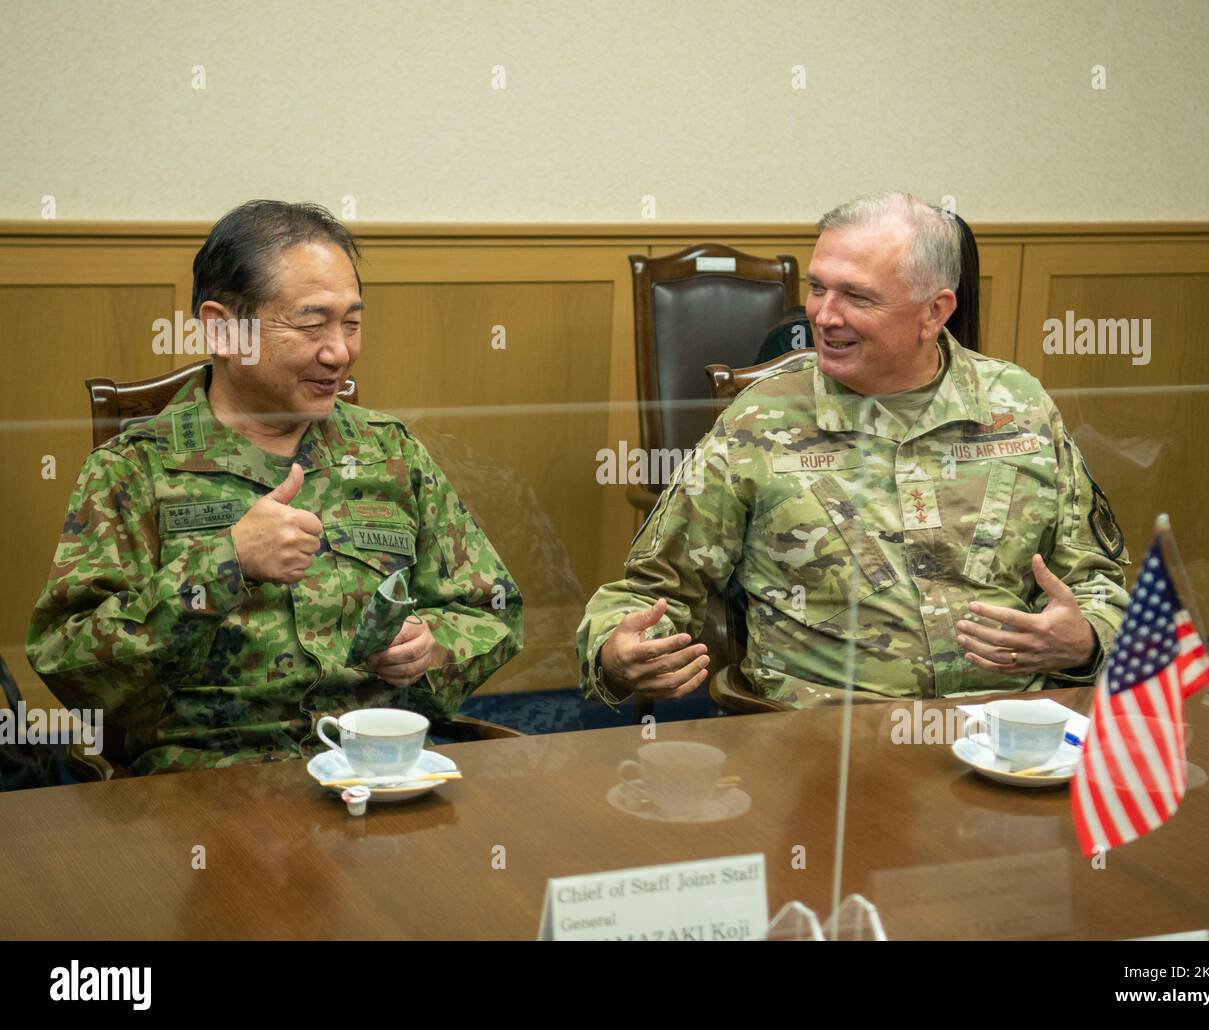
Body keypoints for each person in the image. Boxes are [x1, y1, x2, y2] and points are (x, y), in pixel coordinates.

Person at [577, 191, 1129, 707]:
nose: (823, 315)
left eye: (856, 296)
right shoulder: (760, 422)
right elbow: (651, 591)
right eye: (818, 287)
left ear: (934, 312)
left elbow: (1096, 579)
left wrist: (1085, 640)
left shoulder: (1019, 404)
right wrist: (618, 653)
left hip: (1007, 730)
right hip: (825, 744)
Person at [27, 200, 523, 773]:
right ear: (224, 328)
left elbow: (495, 608)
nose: (339, 351)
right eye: (311, 324)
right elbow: (72, 667)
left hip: (377, 770)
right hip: (210, 791)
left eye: (352, 323)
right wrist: (224, 564)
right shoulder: (135, 470)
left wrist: (433, 648)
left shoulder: (391, 454)